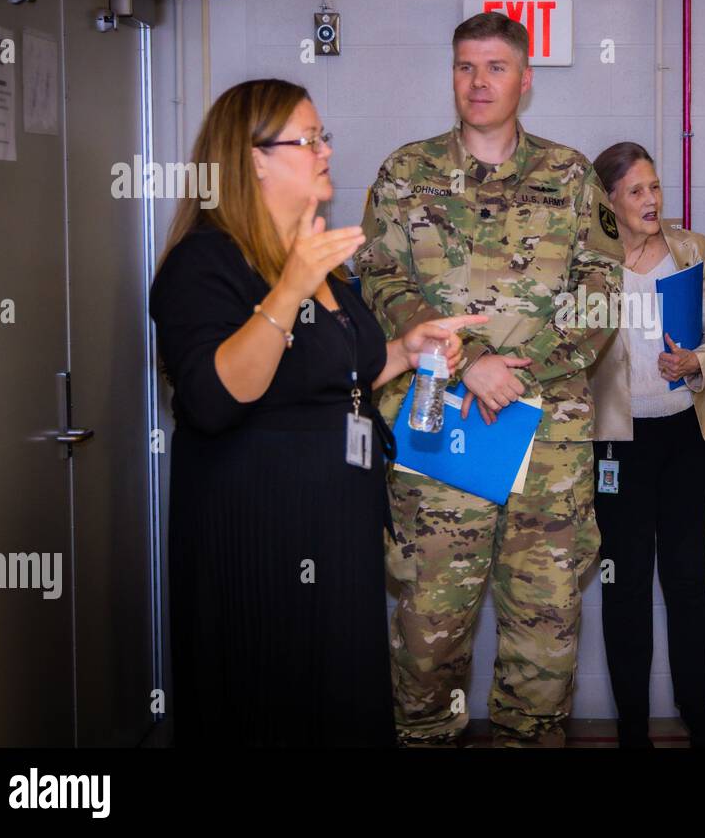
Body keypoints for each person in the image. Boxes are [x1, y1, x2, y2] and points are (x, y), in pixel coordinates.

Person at [150, 78, 481, 746]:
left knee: (341, 701)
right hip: (258, 538)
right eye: (308, 138)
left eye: (323, 135)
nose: (325, 149)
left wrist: (405, 350)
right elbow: (214, 398)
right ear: (252, 159)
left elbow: (335, 377)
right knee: (269, 703)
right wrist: (291, 287)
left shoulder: (311, 263)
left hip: (337, 534)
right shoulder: (206, 262)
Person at [356, 12, 624, 747]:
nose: (479, 82)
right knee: (427, 640)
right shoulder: (404, 174)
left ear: (526, 79)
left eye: (496, 67)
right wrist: (470, 357)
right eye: (465, 67)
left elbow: (601, 296)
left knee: (543, 648)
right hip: (442, 441)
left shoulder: (572, 178)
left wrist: (519, 373)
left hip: (548, 450)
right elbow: (377, 277)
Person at [585, 142, 705, 749]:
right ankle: (632, 729)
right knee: (624, 583)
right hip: (616, 442)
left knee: (687, 577)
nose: (652, 201)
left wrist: (696, 359)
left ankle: (698, 716)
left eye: (655, 188)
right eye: (637, 191)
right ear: (609, 201)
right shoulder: (586, 261)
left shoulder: (690, 250)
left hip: (682, 435)